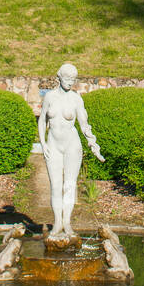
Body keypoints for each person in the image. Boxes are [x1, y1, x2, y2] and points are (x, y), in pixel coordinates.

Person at [37, 63, 104, 241]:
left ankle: (67, 222)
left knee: (69, 185)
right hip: (53, 145)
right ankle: (57, 222)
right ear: (59, 78)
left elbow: (84, 125)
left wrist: (93, 144)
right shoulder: (50, 97)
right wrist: (43, 144)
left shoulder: (76, 99)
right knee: (55, 186)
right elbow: (42, 120)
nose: (70, 83)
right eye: (67, 79)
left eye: (73, 80)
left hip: (72, 145)